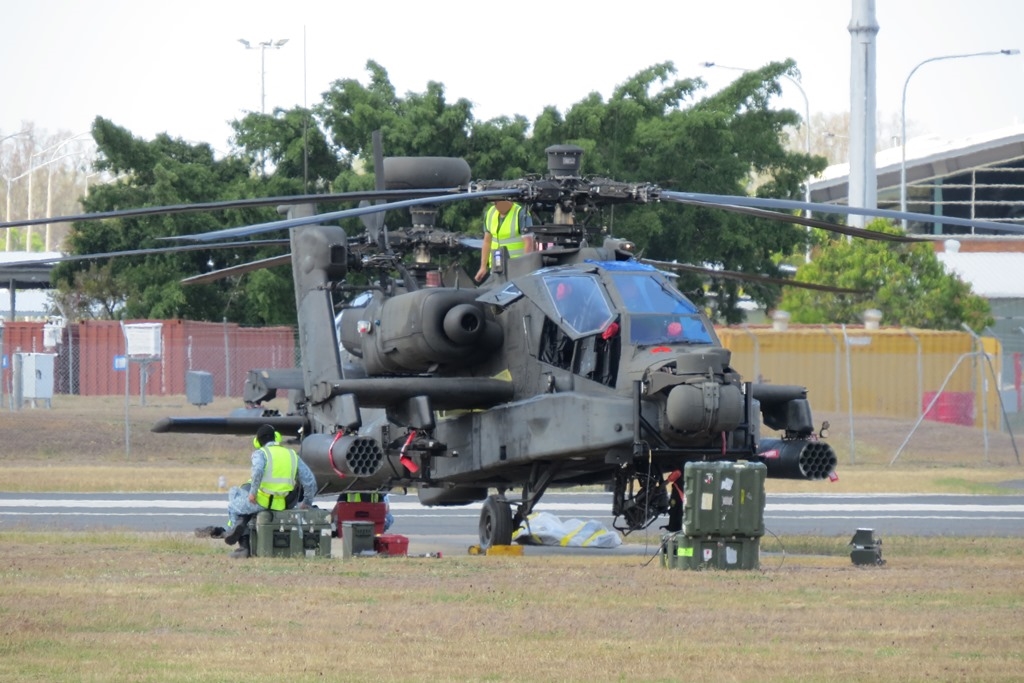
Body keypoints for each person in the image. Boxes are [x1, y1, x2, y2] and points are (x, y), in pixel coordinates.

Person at [222, 424, 318, 558]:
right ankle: (239, 528)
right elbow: (310, 481)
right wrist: (307, 502)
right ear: (275, 438)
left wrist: (253, 493)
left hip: (263, 501)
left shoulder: (261, 453)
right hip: (285, 503)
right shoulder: (291, 454)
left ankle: (239, 538)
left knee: (234, 499)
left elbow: (258, 471)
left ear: (258, 441)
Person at [474, 199, 534, 282]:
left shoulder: (521, 214)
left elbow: (529, 243)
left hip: (516, 267)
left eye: (498, 202)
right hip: (496, 267)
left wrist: (525, 268)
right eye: (495, 203)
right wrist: (483, 267)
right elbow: (487, 242)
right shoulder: (490, 213)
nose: (496, 205)